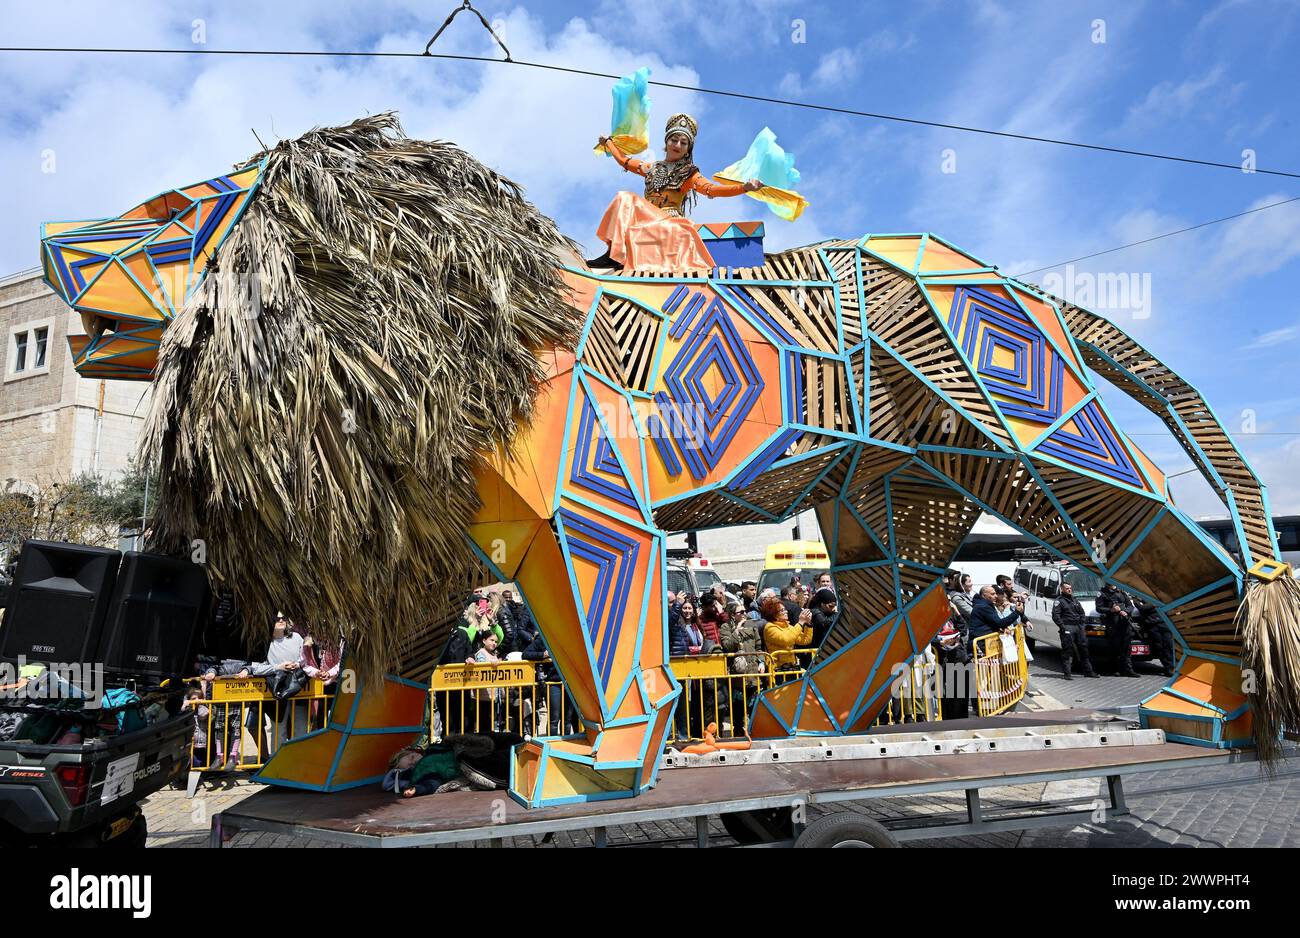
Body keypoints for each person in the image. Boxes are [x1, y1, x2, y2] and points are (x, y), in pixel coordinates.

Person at [591, 114, 762, 271]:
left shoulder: (689, 173)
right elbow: (624, 161)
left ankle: (617, 254)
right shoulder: (652, 168)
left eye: (683, 142)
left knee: (627, 199)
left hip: (669, 218)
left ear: (688, 149)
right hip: (646, 216)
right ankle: (614, 253)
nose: (678, 145)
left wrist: (744, 188)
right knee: (624, 197)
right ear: (666, 142)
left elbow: (711, 189)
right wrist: (608, 143)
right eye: (674, 140)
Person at [248, 614, 308, 757]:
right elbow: (255, 668)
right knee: (278, 731)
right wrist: (278, 667)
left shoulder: (297, 637)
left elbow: (305, 659)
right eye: (277, 618)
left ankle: (300, 766)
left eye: (284, 618)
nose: (281, 620)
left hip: (298, 688)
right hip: (277, 690)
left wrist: (297, 664)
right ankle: (277, 767)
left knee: (300, 730)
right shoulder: (263, 642)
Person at [719, 601, 765, 735]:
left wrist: (761, 662)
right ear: (733, 615)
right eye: (741, 612)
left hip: (753, 670)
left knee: (754, 702)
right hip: (738, 673)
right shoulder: (725, 627)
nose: (745, 614)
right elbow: (727, 646)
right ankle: (738, 729)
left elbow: (758, 646)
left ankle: (754, 729)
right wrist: (737, 631)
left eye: (745, 611)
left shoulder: (751, 625)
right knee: (738, 705)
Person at [1051, 582, 1098, 680]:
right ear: (1062, 589)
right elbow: (1056, 616)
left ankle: (1088, 671)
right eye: (1067, 588)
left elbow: (1082, 612)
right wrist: (1063, 627)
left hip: (1078, 627)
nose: (1069, 590)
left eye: (1070, 588)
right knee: (1068, 650)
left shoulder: (1075, 600)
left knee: (1084, 649)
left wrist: (1082, 623)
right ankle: (1067, 673)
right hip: (1068, 627)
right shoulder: (1059, 601)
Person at [760, 595, 813, 673]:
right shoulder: (769, 628)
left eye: (785, 609)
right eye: (782, 610)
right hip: (777, 670)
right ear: (773, 614)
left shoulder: (787, 625)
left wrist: (808, 624)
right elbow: (787, 639)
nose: (786, 612)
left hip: (791, 667)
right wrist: (801, 622)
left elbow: (805, 640)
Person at [1097, 582, 1140, 677]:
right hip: (1113, 624)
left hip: (1125, 623)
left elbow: (1130, 606)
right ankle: (1115, 669)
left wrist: (1126, 611)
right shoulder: (1102, 593)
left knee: (1127, 648)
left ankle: (1128, 670)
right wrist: (1111, 610)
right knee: (1114, 648)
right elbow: (1099, 608)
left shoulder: (1121, 592)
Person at [1134, 598, 1176, 677]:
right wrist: (1154, 604)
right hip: (1152, 625)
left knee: (1169, 645)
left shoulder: (1153, 597)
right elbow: (1141, 608)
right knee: (1159, 647)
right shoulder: (1136, 599)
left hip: (1164, 623)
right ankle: (1167, 667)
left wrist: (1150, 605)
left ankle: (1171, 666)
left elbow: (1163, 603)